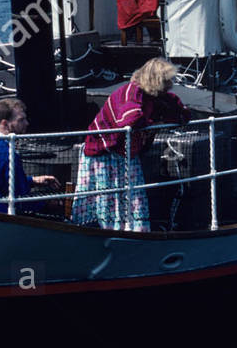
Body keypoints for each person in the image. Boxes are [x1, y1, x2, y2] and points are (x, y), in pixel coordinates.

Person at [72, 57, 190, 232]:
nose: (170, 85)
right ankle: (103, 231)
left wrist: (169, 116)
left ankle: (134, 230)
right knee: (108, 198)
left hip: (128, 154)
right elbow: (129, 119)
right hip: (105, 154)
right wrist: (152, 122)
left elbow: (182, 114)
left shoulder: (159, 97)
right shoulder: (131, 92)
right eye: (166, 81)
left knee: (133, 196)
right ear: (156, 80)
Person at [0, 98, 61, 213]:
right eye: (21, 120)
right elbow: (21, 199)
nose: (27, 123)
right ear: (5, 123)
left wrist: (32, 180)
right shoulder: (9, 154)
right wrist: (49, 203)